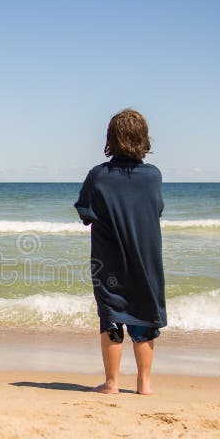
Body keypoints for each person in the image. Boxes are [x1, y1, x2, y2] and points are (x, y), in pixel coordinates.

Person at [74, 108, 166, 395]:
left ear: (111, 139)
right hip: (146, 259)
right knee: (144, 316)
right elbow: (157, 210)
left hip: (109, 261)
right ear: (143, 139)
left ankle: (112, 383)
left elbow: (85, 213)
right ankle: (144, 384)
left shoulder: (98, 176)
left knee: (112, 316)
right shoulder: (153, 176)